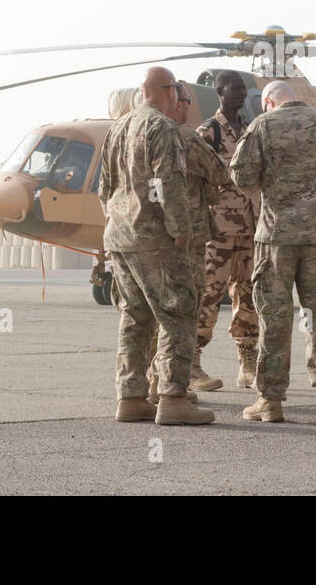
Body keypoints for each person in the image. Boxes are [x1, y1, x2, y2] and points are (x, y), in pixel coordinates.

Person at [230, 80, 316, 423]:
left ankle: (270, 402)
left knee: (276, 320)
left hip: (276, 240)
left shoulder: (262, 125)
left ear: (268, 101)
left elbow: (241, 177)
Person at [97, 66, 213, 426]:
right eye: (177, 91)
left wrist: (117, 221)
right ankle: (173, 398)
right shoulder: (162, 127)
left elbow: (104, 188)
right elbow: (169, 181)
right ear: (167, 91)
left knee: (134, 317)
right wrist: (180, 228)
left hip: (120, 237)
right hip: (154, 238)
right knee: (178, 313)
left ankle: (130, 398)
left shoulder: (117, 127)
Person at [145, 82, 229, 405]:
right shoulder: (184, 137)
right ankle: (168, 386)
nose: (188, 107)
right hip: (184, 237)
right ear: (177, 102)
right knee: (181, 311)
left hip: (144, 237)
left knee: (149, 313)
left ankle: (147, 385)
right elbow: (220, 172)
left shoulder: (131, 131)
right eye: (186, 101)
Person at [193, 71, 259, 390]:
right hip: (217, 229)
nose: (241, 95)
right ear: (219, 91)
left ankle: (248, 363)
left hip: (249, 227)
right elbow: (194, 178)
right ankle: (190, 361)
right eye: (234, 90)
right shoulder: (207, 132)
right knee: (208, 294)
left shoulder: (250, 130)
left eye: (243, 90)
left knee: (247, 294)